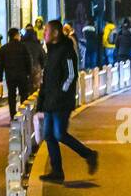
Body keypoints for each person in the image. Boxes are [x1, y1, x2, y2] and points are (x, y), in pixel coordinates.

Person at [36, 20, 97, 182]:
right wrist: (41, 100)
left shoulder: (67, 50)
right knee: (48, 136)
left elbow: (71, 75)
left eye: (47, 31)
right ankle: (57, 172)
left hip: (62, 102)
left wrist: (60, 94)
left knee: (59, 134)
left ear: (55, 33)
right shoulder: (50, 51)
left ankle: (89, 154)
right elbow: (46, 78)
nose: (44, 34)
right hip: (50, 101)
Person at [0, 27, 33, 119]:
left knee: (11, 95)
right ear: (16, 35)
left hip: (10, 76)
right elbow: (28, 61)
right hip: (22, 75)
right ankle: (23, 114)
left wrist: (0, 78)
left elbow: (0, 64)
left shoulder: (4, 48)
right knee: (23, 95)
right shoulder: (23, 47)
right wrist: (29, 73)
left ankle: (12, 114)